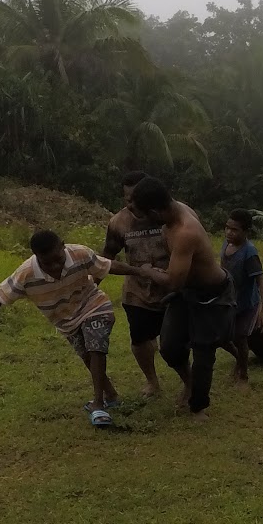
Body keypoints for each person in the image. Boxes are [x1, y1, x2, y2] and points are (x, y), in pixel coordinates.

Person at [0, 229, 153, 428]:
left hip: (93, 305)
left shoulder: (80, 254)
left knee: (96, 347)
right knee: (87, 356)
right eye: (46, 263)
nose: (55, 266)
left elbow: (108, 266)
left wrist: (141, 271)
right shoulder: (26, 273)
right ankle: (110, 395)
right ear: (36, 257)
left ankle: (98, 404)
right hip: (65, 321)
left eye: (58, 259)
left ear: (63, 246)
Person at [127, 176, 235, 421]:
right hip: (187, 292)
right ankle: (190, 383)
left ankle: (198, 407)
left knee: (203, 351)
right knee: (169, 346)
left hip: (212, 295)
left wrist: (148, 271)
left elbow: (173, 281)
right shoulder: (174, 214)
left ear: (154, 211)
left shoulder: (185, 230)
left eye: (145, 215)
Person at [102, 170, 171, 397]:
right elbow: (107, 258)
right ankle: (152, 381)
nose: (131, 205)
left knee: (175, 342)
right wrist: (91, 284)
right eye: (127, 199)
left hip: (172, 290)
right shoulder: (118, 222)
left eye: (135, 199)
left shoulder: (167, 216)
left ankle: (188, 380)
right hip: (137, 293)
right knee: (140, 340)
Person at [220, 209, 263, 385]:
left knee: (240, 338)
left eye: (234, 230)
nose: (229, 232)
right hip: (228, 300)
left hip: (246, 304)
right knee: (221, 337)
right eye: (227, 228)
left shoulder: (249, 253)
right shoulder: (226, 244)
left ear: (245, 231)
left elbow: (261, 280)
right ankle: (239, 359)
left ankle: (243, 376)